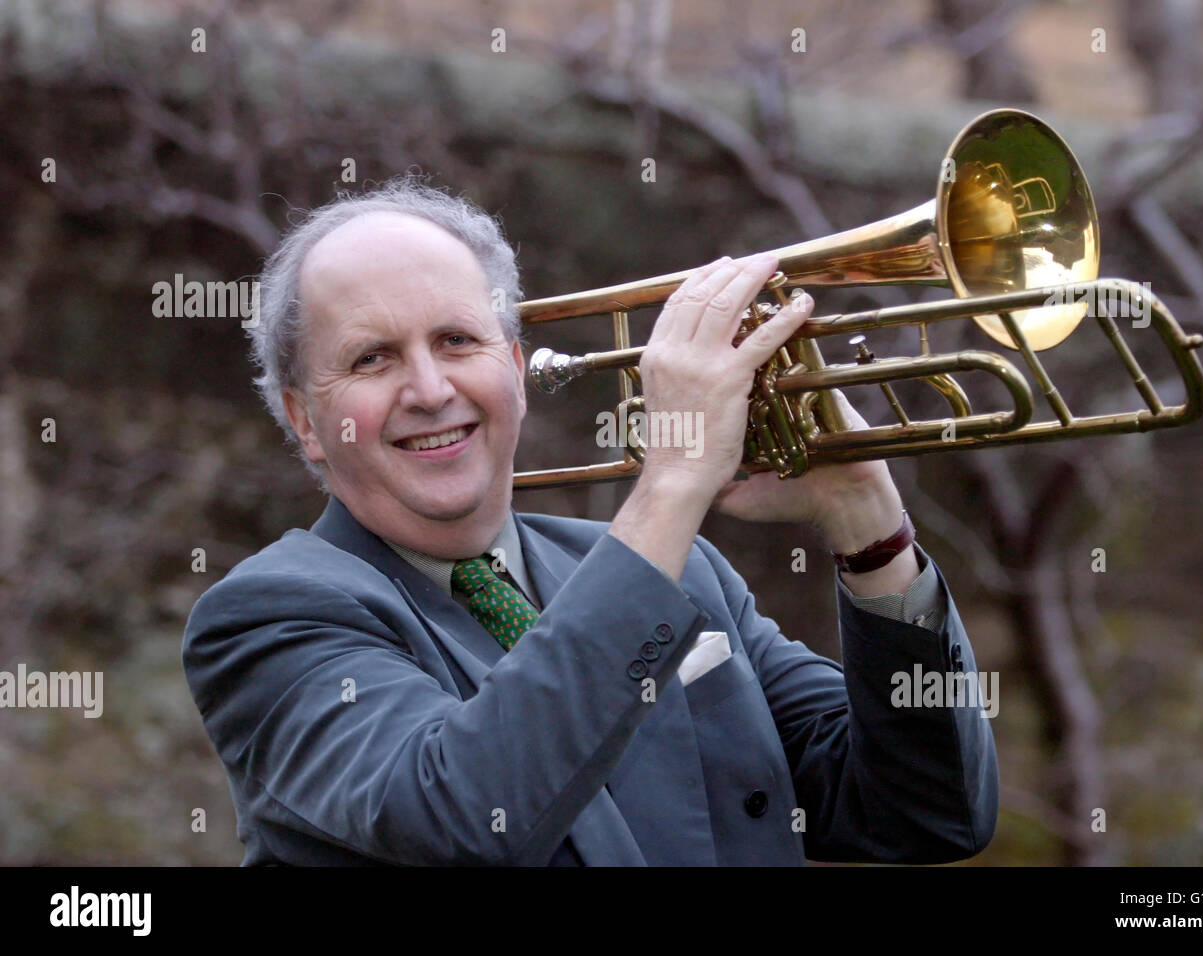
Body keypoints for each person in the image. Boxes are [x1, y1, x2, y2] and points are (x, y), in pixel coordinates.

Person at [182, 176, 998, 866]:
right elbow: (466, 811)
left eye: (458, 340)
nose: (429, 389)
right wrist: (675, 478)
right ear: (303, 420)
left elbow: (927, 814)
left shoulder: (687, 572)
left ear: (515, 369)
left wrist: (868, 521)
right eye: (373, 358)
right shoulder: (267, 619)